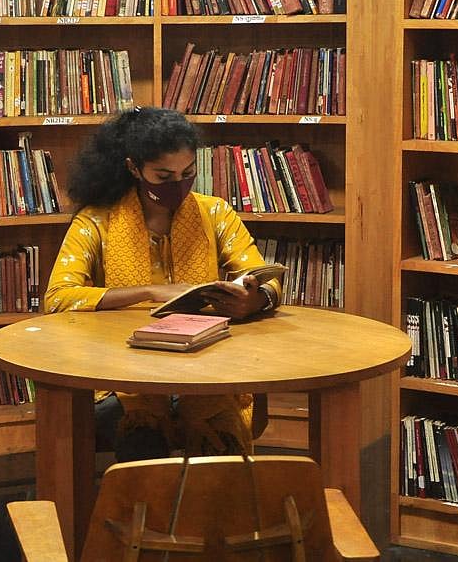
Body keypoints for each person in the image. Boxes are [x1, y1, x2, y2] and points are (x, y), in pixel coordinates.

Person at [44, 107, 282, 461]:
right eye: (164, 176)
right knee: (140, 438)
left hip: (205, 370)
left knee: (221, 436)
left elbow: (266, 278)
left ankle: (217, 497)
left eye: (188, 173)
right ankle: (143, 497)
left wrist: (256, 299)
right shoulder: (96, 221)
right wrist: (151, 291)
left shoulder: (215, 213)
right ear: (133, 168)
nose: (178, 185)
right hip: (123, 375)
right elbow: (59, 298)